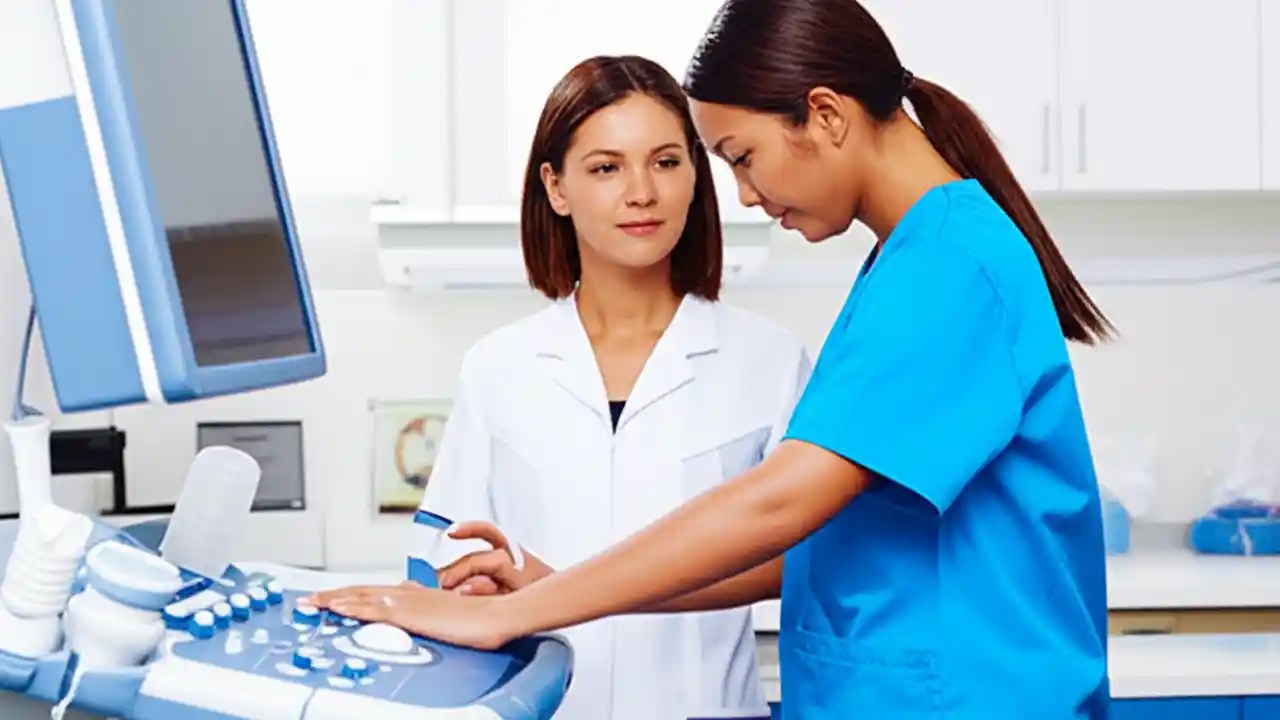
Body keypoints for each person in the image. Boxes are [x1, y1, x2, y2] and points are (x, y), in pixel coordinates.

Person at [312, 1, 1115, 717]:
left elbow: (777, 508)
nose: (746, 193)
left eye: (737, 154)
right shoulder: (913, 262)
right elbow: (813, 552)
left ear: (825, 116)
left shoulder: (950, 270)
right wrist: (553, 592)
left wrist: (509, 612)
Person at [399, 54, 808, 720]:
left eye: (667, 162)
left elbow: (807, 560)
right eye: (606, 167)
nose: (641, 191)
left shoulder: (767, 360)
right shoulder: (499, 367)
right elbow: (441, 574)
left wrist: (561, 588)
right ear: (556, 188)